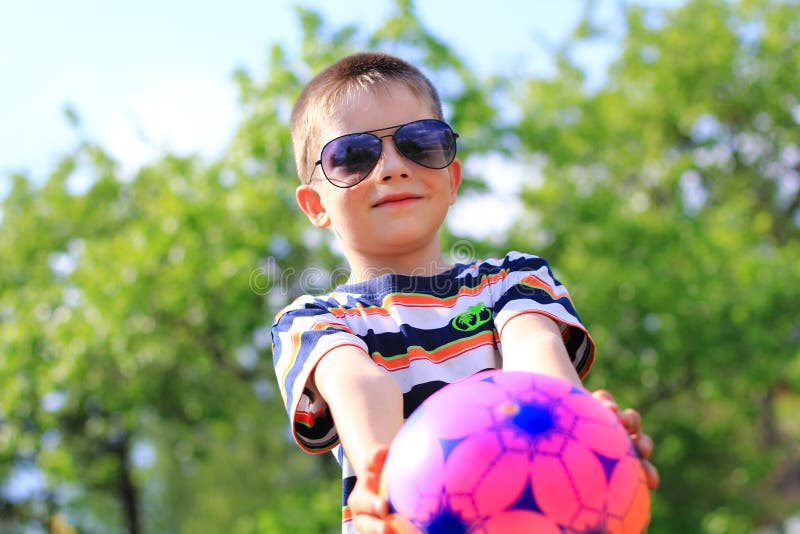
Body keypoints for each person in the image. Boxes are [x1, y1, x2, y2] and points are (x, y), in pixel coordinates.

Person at [271, 51, 659, 534]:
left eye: (420, 144)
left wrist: (584, 433)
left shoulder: (513, 281)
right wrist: (389, 490)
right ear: (315, 205)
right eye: (352, 156)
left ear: (451, 177)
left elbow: (536, 356)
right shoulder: (311, 322)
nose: (392, 167)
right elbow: (362, 388)